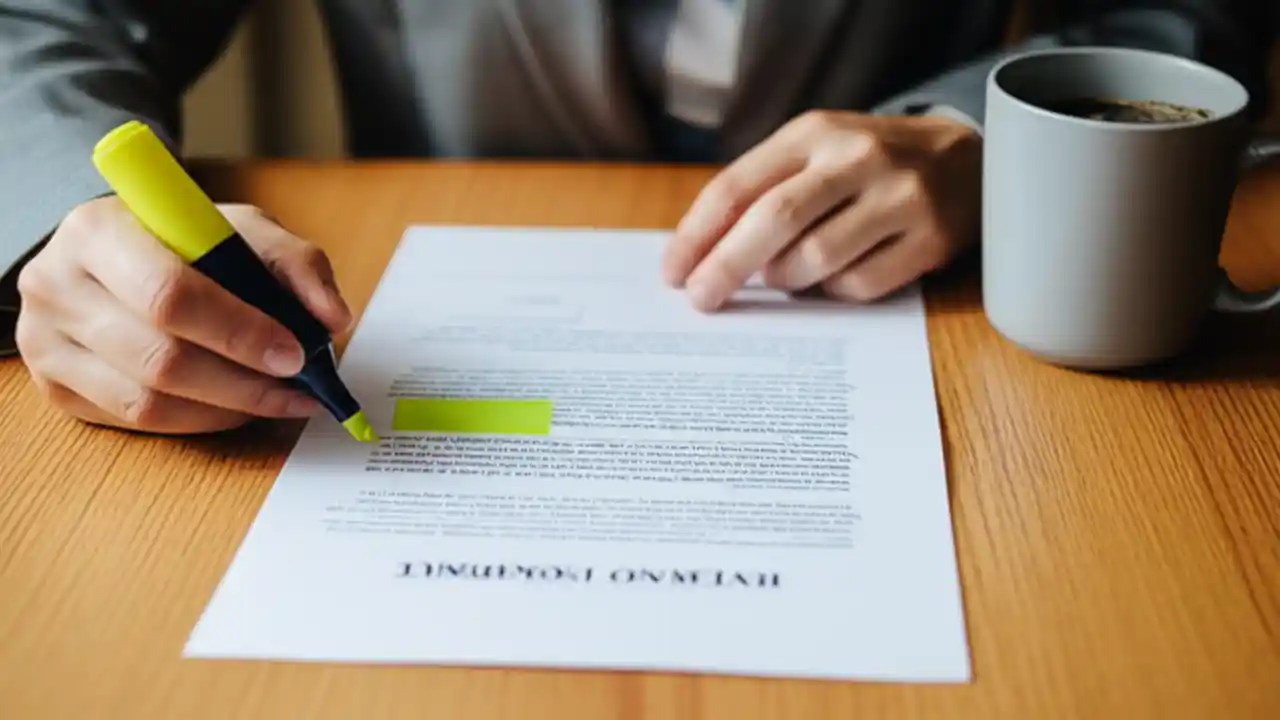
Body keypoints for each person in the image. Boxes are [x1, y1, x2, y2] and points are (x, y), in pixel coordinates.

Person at [0, 1, 1270, 435]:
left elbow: (1180, 13)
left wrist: (985, 135)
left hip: (940, 315)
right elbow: (47, 27)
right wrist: (70, 219)